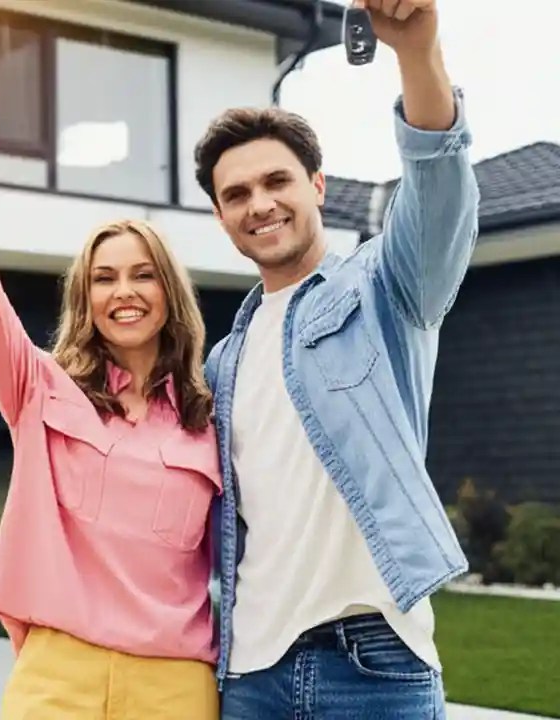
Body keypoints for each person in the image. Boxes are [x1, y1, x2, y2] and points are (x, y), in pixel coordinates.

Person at [195, 0, 479, 717]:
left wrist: (418, 52)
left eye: (276, 181)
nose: (259, 203)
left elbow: (439, 188)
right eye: (237, 195)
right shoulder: (222, 364)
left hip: (375, 667)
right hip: (248, 675)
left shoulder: (388, 287)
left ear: (317, 187)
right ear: (223, 220)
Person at [0, 78, 222, 719]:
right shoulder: (40, 388)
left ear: (169, 292)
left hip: (176, 685)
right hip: (58, 675)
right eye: (105, 277)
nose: (125, 291)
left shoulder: (211, 418)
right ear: (85, 298)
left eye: (143, 274)